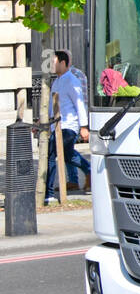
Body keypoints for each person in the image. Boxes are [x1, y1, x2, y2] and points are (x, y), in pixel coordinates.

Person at [46, 50, 91, 204]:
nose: (52, 64)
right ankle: (88, 169)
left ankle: (49, 193)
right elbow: (52, 106)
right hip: (56, 126)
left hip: (69, 126)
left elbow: (79, 103)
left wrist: (84, 126)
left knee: (51, 156)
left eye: (54, 61)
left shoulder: (72, 80)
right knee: (68, 154)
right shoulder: (56, 82)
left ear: (63, 63)